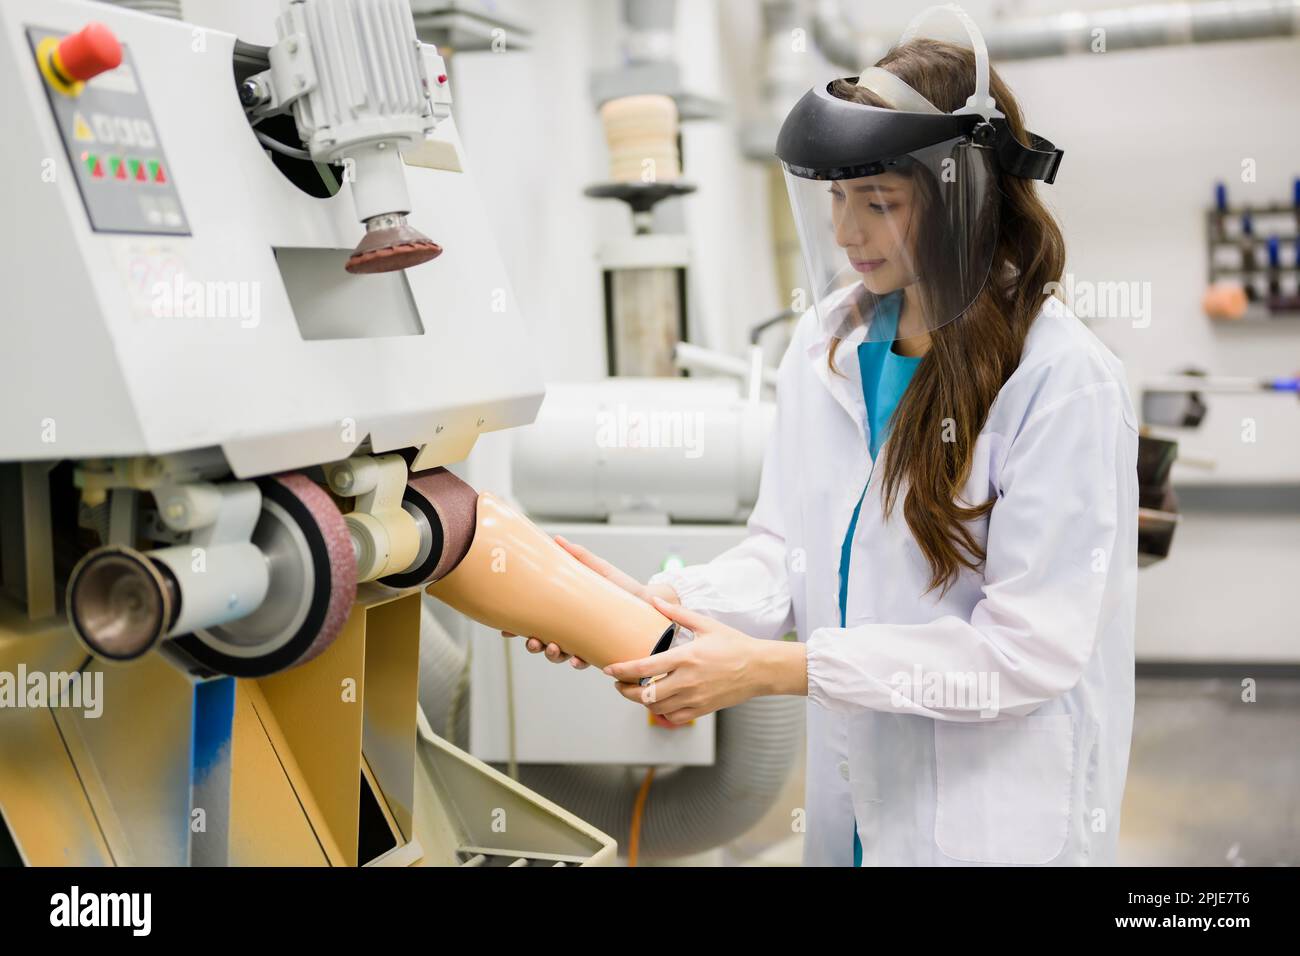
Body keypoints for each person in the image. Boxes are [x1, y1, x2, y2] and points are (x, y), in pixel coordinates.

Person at [509, 5, 1138, 867]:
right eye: (837, 198)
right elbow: (786, 552)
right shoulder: (830, 345)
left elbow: (1025, 653)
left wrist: (781, 670)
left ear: (966, 197)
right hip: (857, 796)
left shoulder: (1061, 380)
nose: (846, 233)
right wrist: (654, 610)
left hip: (993, 821)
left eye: (878, 203)